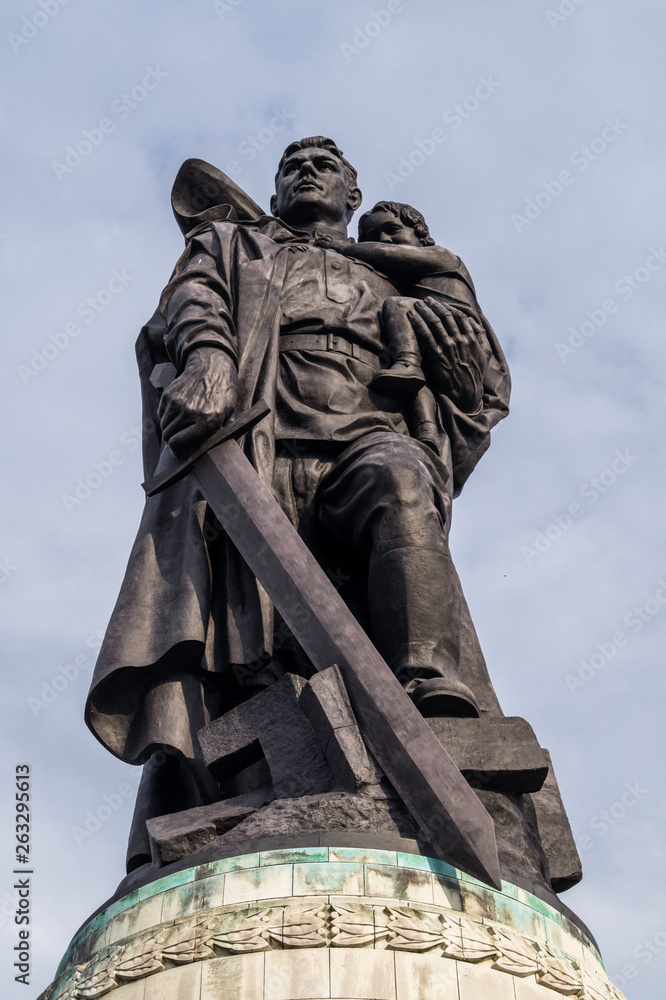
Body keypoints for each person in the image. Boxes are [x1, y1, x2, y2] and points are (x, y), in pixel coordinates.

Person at [84, 137, 510, 872]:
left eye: (326, 165)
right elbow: (195, 299)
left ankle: (426, 691)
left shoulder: (398, 277)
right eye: (292, 166)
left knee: (401, 485)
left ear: (353, 194)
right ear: (276, 193)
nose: (307, 171)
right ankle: (265, 771)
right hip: (258, 448)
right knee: (253, 640)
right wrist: (211, 359)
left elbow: (477, 389)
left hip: (365, 436)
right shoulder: (235, 244)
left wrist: (462, 365)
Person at [317, 200, 501, 452]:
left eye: (393, 230)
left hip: (453, 323)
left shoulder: (443, 257)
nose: (384, 239)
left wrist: (343, 248)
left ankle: (408, 361)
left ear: (422, 236)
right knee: (416, 384)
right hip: (425, 328)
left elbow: (389, 255)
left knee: (396, 306)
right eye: (373, 236)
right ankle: (427, 432)